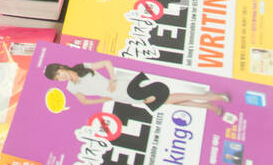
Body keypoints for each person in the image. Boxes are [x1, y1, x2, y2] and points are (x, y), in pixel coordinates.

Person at [43, 58, 231, 115]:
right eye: (58, 79)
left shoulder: (82, 66)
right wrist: (105, 98)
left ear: (61, 66)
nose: (61, 78)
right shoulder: (71, 88)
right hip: (122, 97)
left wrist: (113, 79)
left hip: (127, 87)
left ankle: (212, 98)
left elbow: (107, 63)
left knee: (168, 98)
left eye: (59, 74)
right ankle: (208, 103)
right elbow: (84, 101)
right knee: (169, 102)